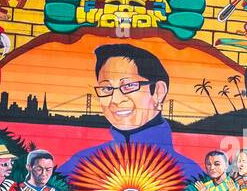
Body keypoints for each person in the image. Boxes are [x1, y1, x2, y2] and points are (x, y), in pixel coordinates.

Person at [58, 43, 203, 182]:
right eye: (107, 89)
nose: (115, 99)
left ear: (158, 92)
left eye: (128, 86)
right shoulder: (81, 166)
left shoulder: (189, 175)